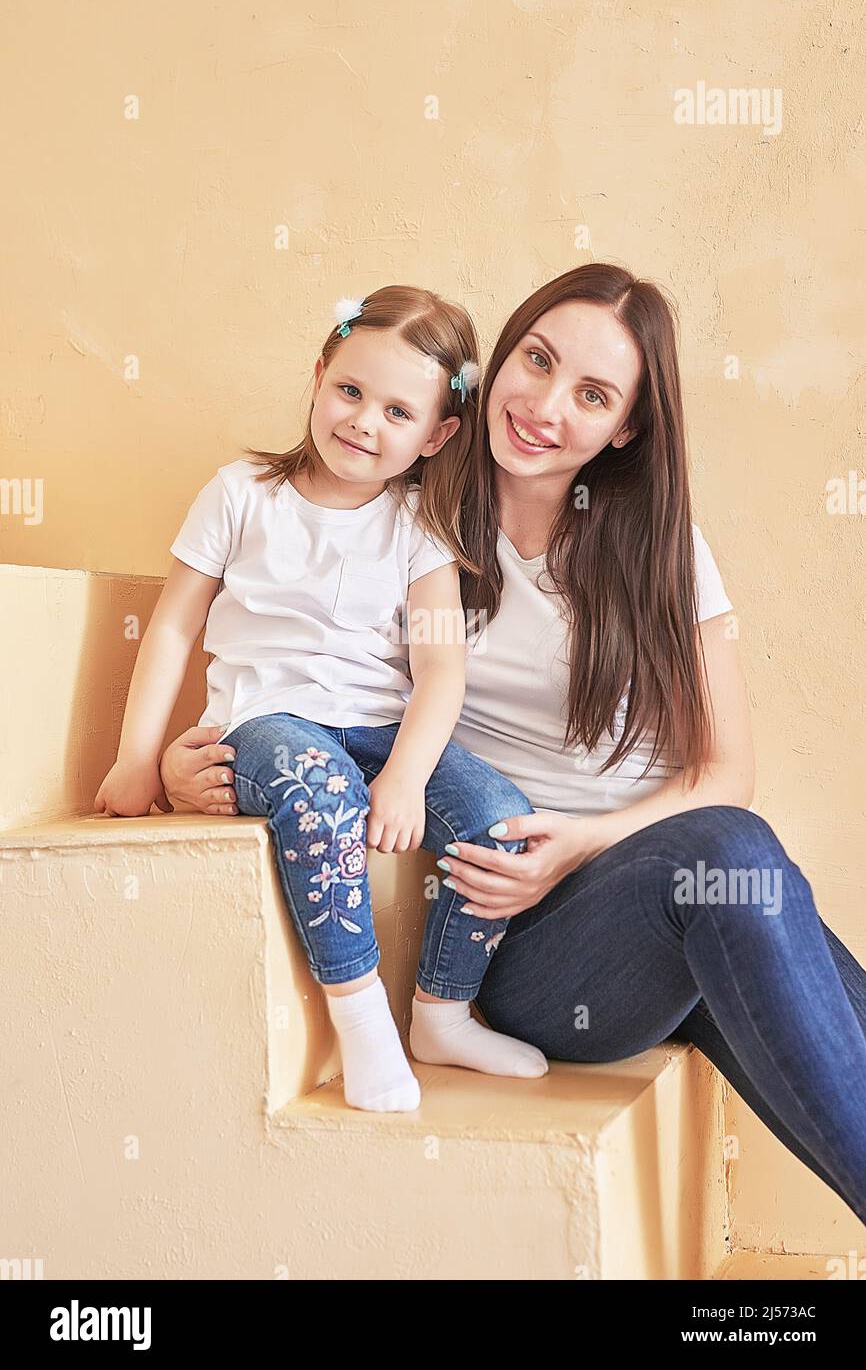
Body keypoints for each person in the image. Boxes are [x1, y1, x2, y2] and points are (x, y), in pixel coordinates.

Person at [157, 263, 866, 1225]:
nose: (542, 405)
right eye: (535, 359)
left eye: (593, 394)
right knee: (736, 860)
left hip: (656, 882)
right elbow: (289, 658)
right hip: (517, 932)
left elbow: (724, 774)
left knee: (751, 874)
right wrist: (180, 760)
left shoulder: (662, 546)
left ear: (625, 429)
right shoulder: (402, 510)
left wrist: (584, 840)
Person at [94, 285, 547, 1117]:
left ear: (438, 434)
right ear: (318, 376)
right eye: (350, 391)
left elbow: (440, 670)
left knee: (501, 820)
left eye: (398, 412)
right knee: (321, 792)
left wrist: (408, 779)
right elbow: (170, 631)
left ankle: (443, 1012)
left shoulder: (419, 525)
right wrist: (134, 760)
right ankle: (360, 1015)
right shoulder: (240, 494)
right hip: (271, 722)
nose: (364, 422)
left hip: (380, 726)